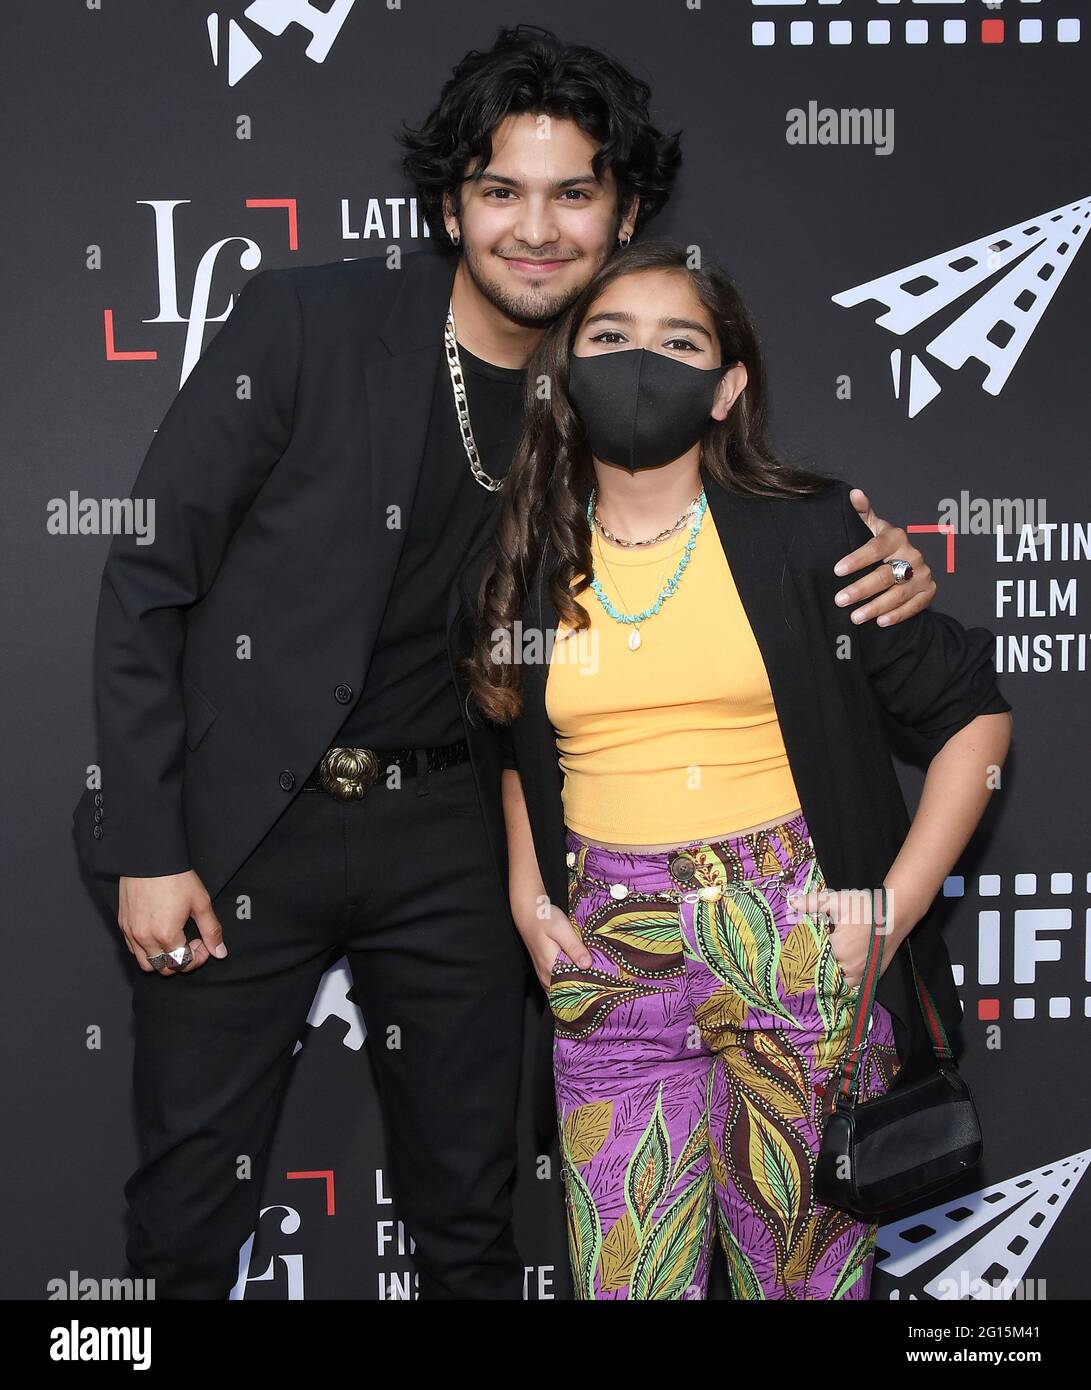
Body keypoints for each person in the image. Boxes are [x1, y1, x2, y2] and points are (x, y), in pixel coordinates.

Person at [71, 26, 940, 1299]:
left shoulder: (616, 389)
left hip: (453, 839)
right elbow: (148, 571)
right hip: (241, 825)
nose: (535, 229)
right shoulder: (309, 322)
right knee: (192, 1210)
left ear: (623, 209)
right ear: (451, 203)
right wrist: (150, 843)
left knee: (468, 1216)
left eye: (572, 193)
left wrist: (893, 576)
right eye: (500, 191)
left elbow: (740, 514)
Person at [460, 239, 1013, 1301]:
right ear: (566, 370)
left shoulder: (808, 533)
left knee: (801, 1280)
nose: (639, 364)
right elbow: (515, 748)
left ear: (726, 388)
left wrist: (888, 909)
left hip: (790, 927)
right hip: (611, 945)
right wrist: (531, 900)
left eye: (678, 343)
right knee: (627, 1283)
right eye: (610, 338)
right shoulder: (521, 555)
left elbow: (971, 718)